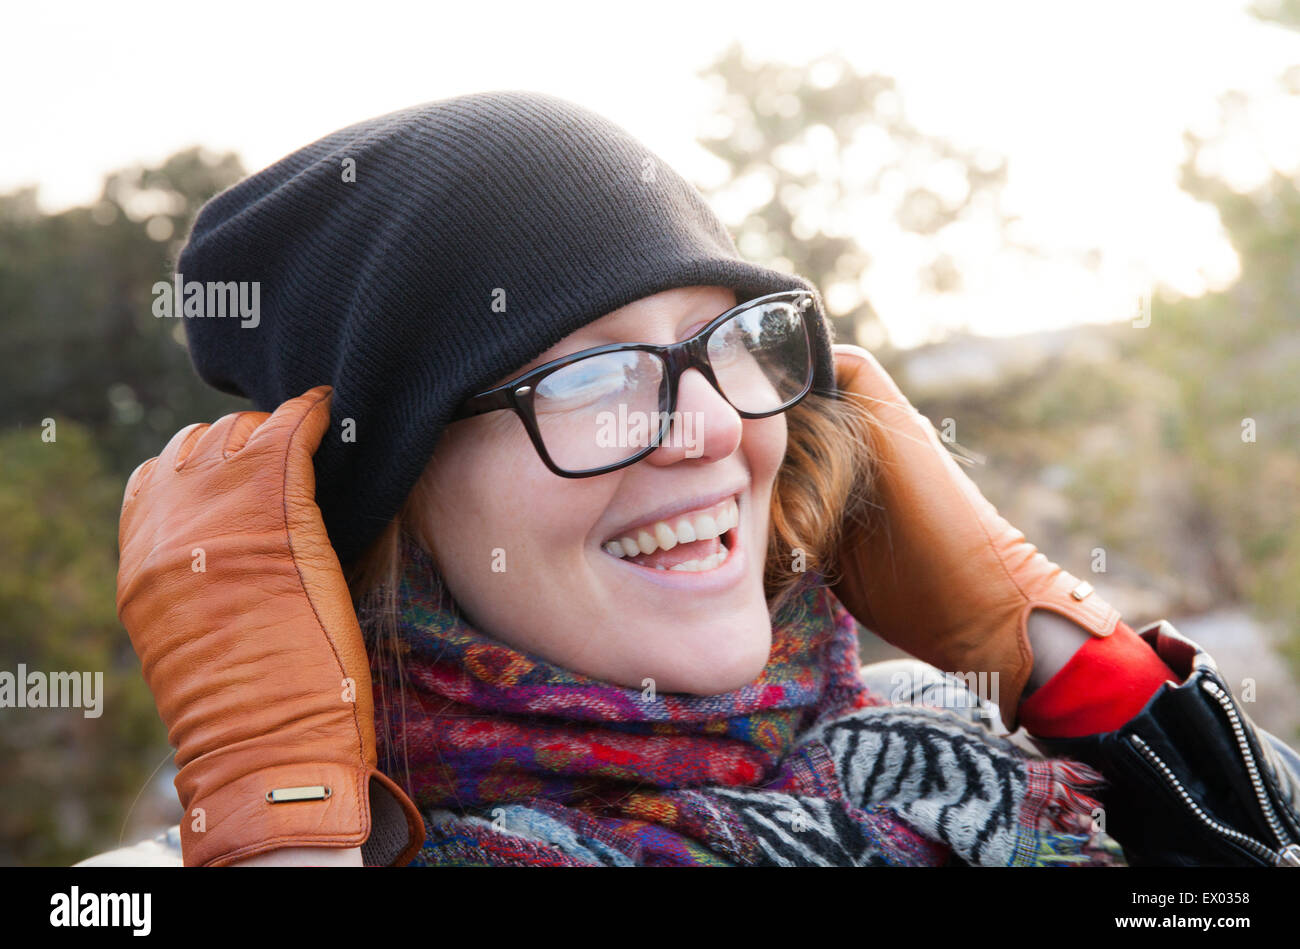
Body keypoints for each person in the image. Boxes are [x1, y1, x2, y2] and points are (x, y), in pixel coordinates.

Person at [87, 91, 1300, 867]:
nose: (710, 426)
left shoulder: (971, 762)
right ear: (391, 492)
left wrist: (1066, 656)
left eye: (723, 340)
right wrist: (280, 831)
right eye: (587, 377)